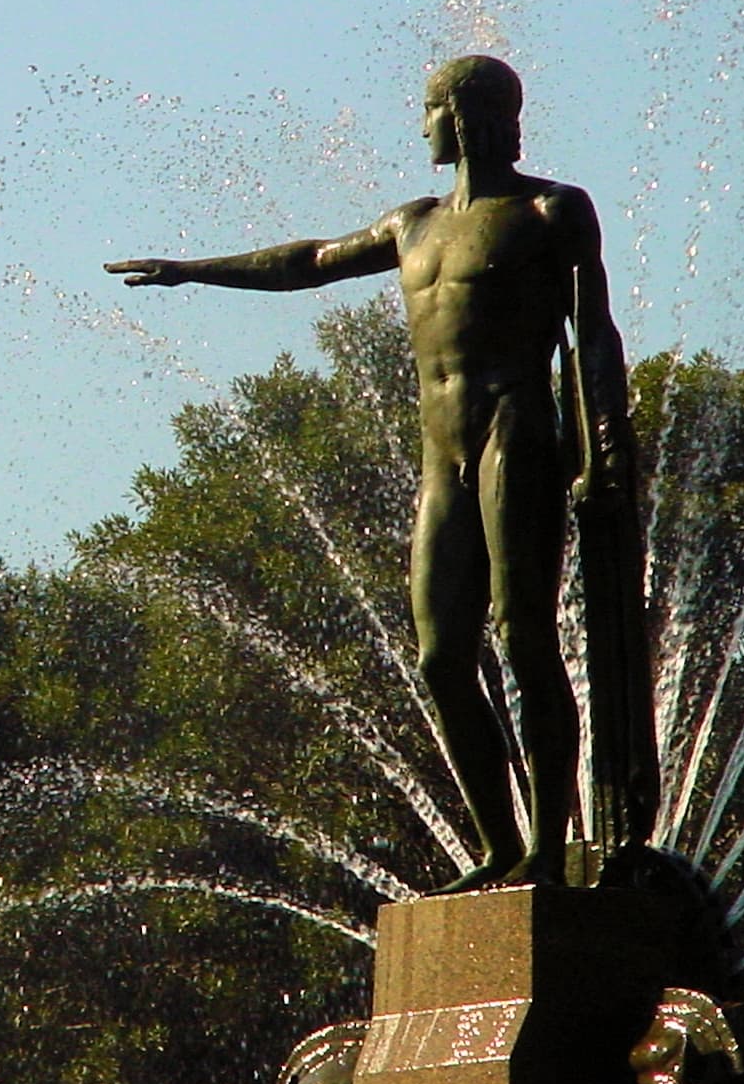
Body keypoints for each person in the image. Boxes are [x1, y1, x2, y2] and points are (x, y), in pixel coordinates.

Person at [106, 55, 635, 890]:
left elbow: (593, 334)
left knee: (523, 635)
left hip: (517, 434)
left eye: (428, 110)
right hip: (441, 457)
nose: (422, 127)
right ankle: (500, 847)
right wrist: (193, 270)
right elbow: (311, 260)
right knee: (440, 658)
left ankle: (549, 846)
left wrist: (605, 444)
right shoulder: (412, 224)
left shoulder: (551, 210)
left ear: (462, 114)